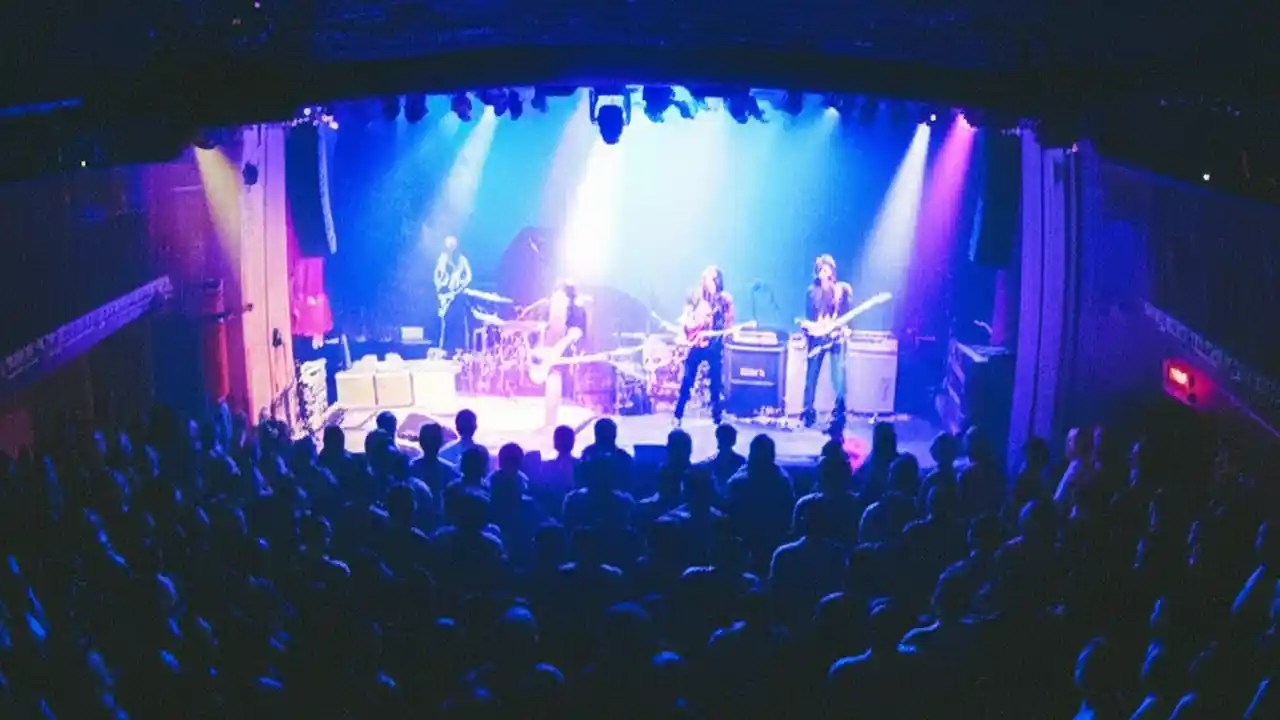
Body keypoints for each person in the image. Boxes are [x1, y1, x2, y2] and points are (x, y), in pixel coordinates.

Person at [799, 254, 854, 433]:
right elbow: (809, 316)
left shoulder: (841, 290)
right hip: (817, 338)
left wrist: (845, 329)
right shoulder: (811, 292)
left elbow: (846, 314)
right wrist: (810, 330)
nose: (824, 272)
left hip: (835, 337)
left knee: (837, 376)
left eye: (827, 268)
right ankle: (807, 411)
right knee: (811, 376)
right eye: (821, 269)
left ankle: (839, 412)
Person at [675, 265, 734, 427]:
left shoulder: (724, 300)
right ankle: (678, 414)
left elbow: (729, 322)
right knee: (688, 379)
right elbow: (686, 318)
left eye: (712, 278)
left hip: (714, 346)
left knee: (716, 382)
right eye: (707, 278)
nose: (709, 281)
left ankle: (717, 415)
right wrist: (690, 329)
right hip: (697, 345)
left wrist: (727, 333)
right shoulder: (696, 297)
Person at [540, 282, 588, 428]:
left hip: (561, 348)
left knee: (554, 377)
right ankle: (549, 421)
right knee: (552, 379)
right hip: (554, 347)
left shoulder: (575, 308)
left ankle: (550, 422)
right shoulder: (559, 305)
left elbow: (578, 331)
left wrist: (567, 344)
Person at [433, 234, 473, 352]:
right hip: (446, 296)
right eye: (449, 246)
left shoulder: (462, 259)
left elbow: (469, 276)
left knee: (459, 321)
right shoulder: (442, 258)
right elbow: (437, 276)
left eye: (453, 245)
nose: (451, 248)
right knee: (446, 321)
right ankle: (444, 348)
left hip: (458, 295)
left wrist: (461, 285)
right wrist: (441, 289)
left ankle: (459, 348)